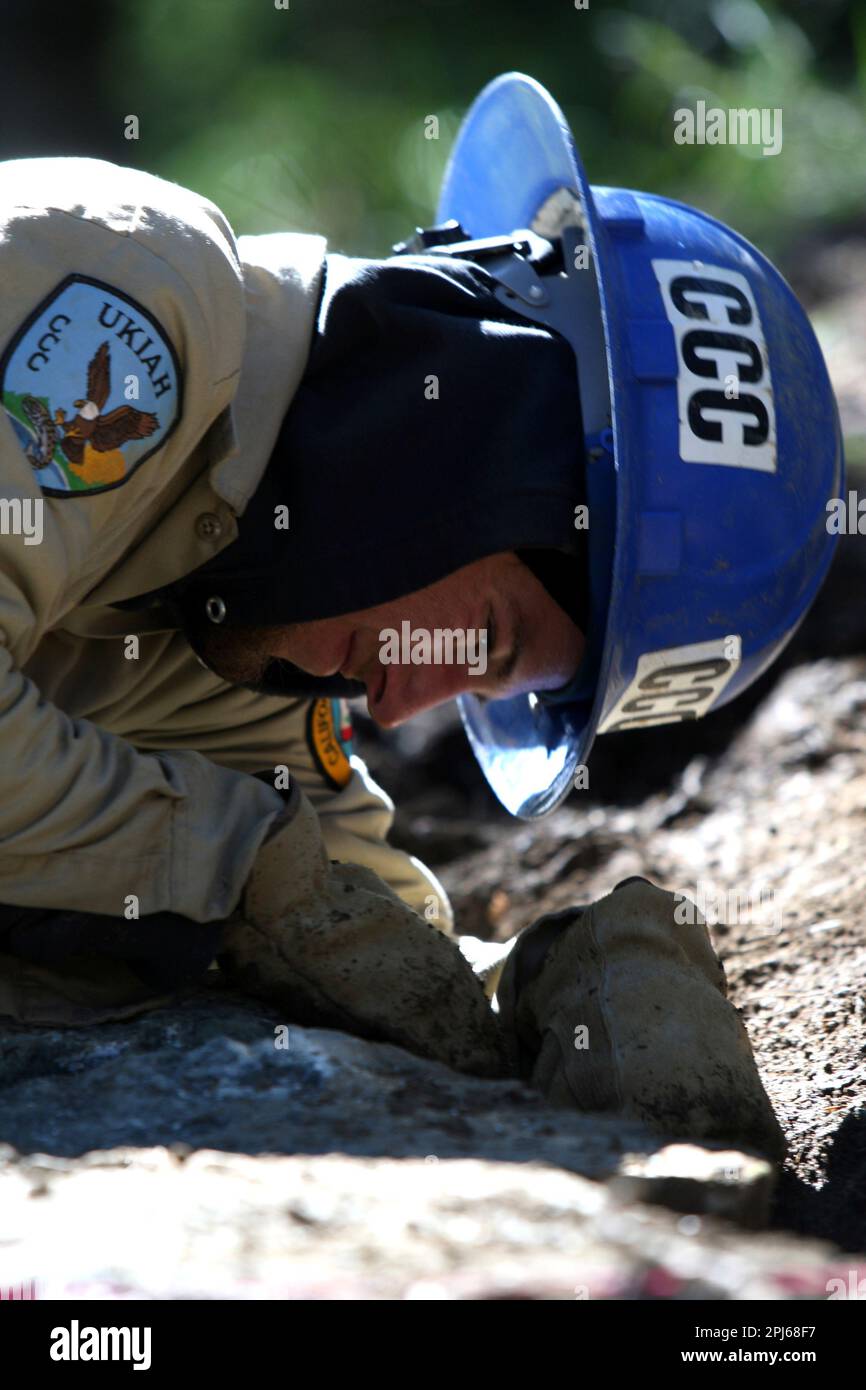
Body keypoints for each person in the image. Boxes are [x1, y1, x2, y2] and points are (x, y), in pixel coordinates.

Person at [0, 74, 841, 1160]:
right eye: (483, 640)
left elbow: (346, 924)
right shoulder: (139, 293)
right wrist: (225, 863)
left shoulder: (228, 626)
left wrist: (550, 998)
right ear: (476, 446)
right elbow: (244, 861)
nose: (402, 704)